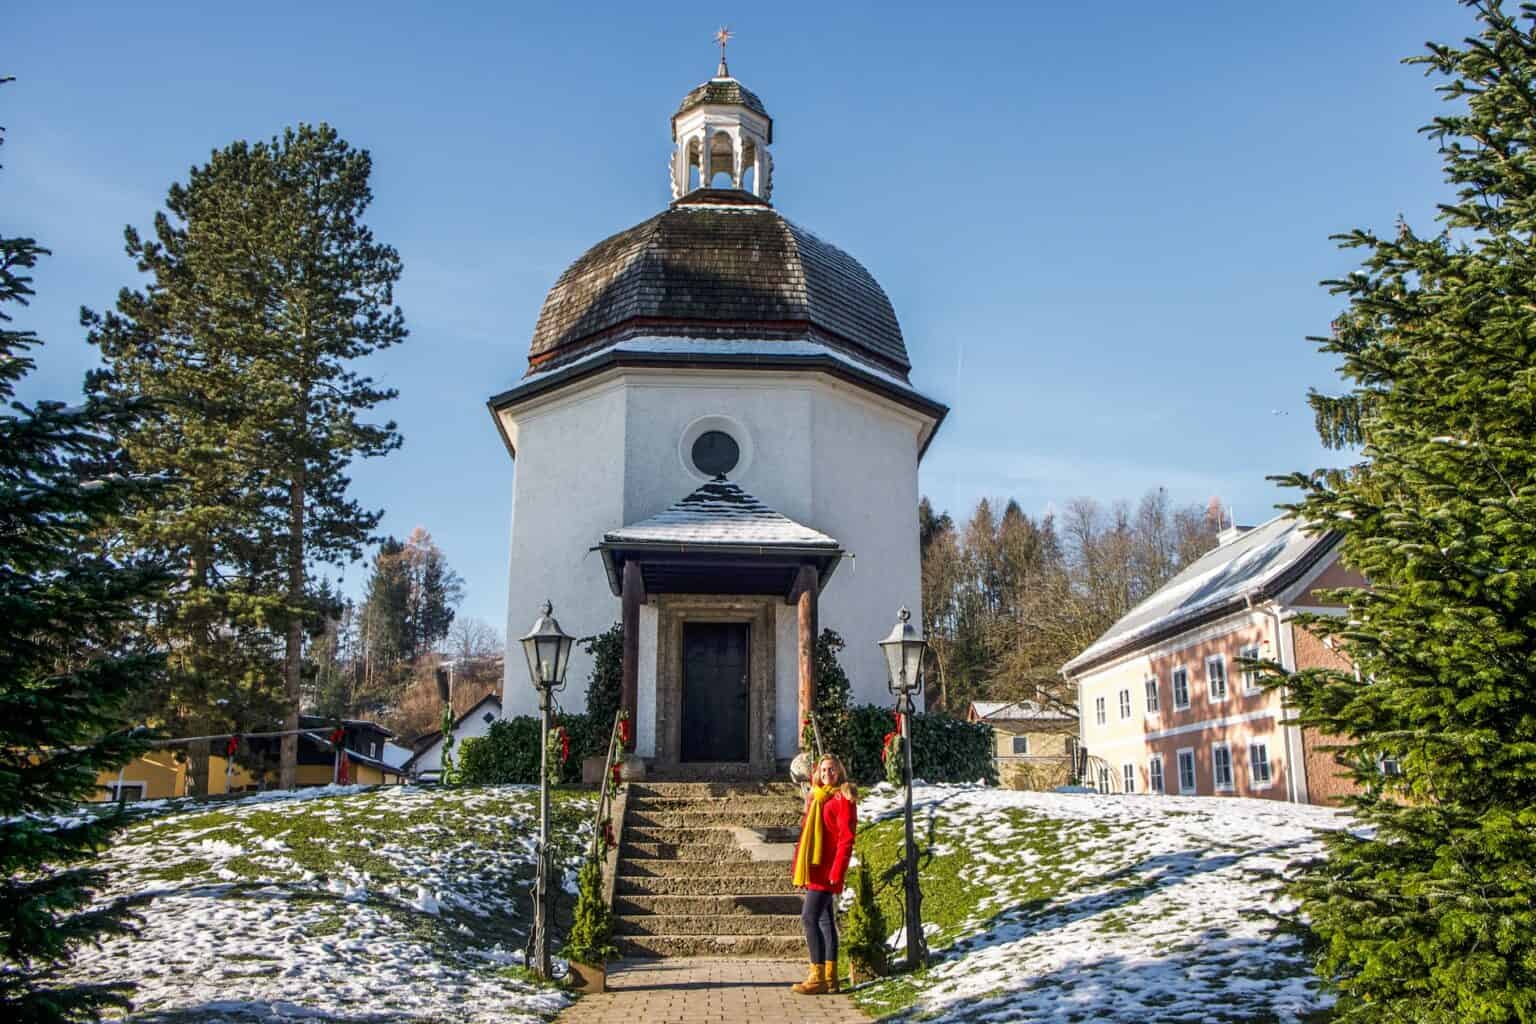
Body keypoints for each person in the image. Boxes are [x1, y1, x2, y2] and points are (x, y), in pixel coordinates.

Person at [789, 753, 857, 995]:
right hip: (815, 868)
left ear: (840, 771)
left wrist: (838, 871)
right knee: (825, 921)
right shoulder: (817, 796)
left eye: (832, 769)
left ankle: (816, 977)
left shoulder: (843, 798)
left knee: (809, 918)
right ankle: (830, 978)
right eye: (824, 770)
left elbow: (846, 839)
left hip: (827, 870)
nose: (828, 774)